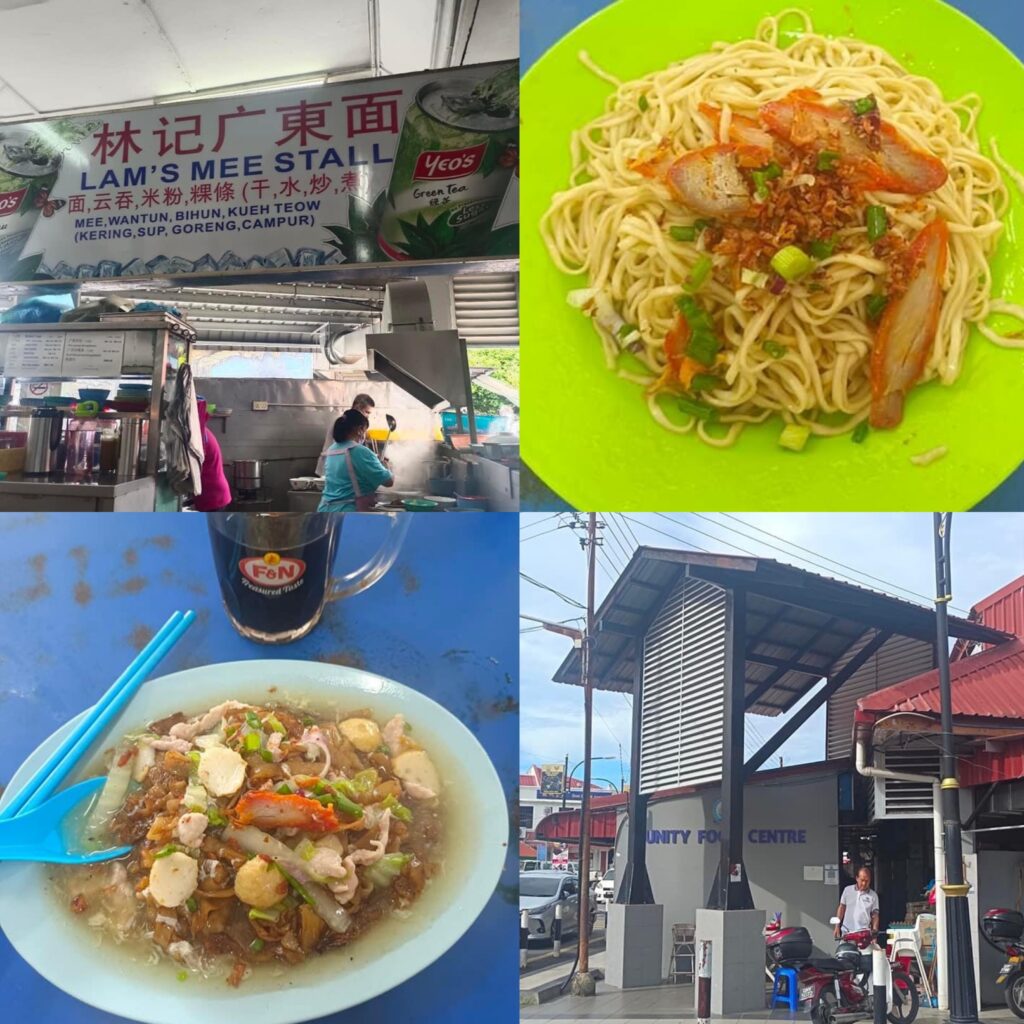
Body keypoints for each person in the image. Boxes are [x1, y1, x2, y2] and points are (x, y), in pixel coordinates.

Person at [317, 409, 394, 512]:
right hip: (348, 513)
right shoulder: (360, 451)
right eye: (365, 431)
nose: (365, 436)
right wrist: (387, 467)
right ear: (359, 429)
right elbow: (388, 481)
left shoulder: (331, 450)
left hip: (324, 510)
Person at [316, 393, 376, 476]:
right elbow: (344, 450)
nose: (367, 416)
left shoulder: (357, 425)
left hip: (338, 466)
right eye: (367, 412)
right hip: (332, 466)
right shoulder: (343, 423)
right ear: (357, 407)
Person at [190, 398, 231, 511]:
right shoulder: (201, 433)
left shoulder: (200, 438)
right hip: (214, 494)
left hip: (213, 496)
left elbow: (191, 467)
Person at [834, 866, 880, 938]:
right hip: (847, 932)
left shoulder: (873, 895)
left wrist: (874, 932)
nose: (864, 883)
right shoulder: (847, 890)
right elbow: (842, 908)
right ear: (857, 878)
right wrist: (837, 926)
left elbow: (875, 915)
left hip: (864, 933)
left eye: (867, 881)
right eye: (862, 880)